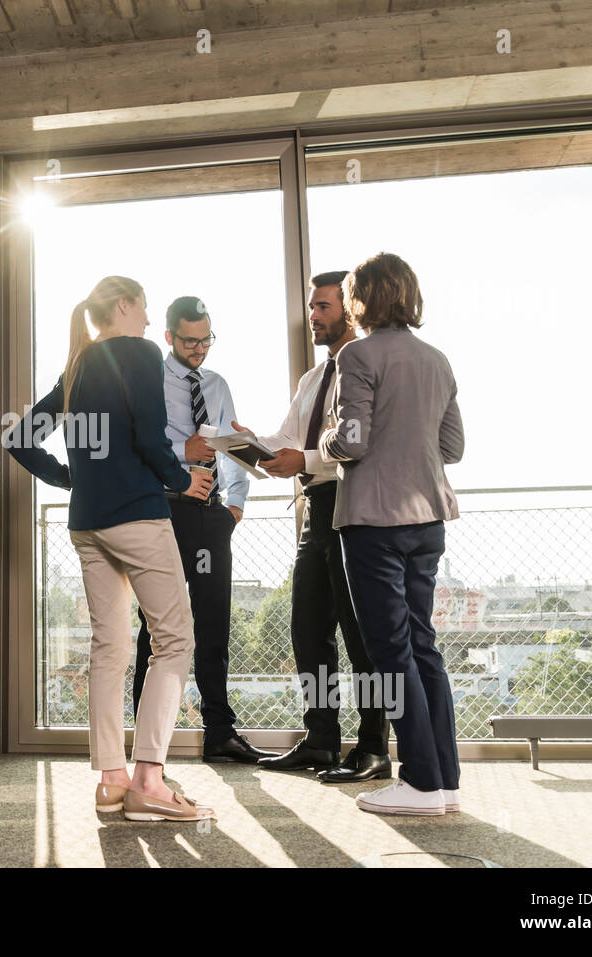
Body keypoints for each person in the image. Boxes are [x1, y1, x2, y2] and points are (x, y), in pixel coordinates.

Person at [4, 275, 216, 823]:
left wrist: (69, 478)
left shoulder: (76, 365)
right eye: (143, 308)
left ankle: (111, 781)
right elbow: (149, 437)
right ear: (124, 305)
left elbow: (20, 438)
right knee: (174, 640)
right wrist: (183, 479)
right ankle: (149, 778)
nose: (148, 320)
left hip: (88, 524)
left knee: (108, 648)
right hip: (139, 517)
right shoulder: (139, 352)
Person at [317, 252, 464, 816]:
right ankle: (442, 780)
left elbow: (350, 440)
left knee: (390, 653)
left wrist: (328, 441)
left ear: (363, 300)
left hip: (374, 521)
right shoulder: (436, 359)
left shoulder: (357, 353)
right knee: (423, 647)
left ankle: (420, 783)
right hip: (427, 519)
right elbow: (452, 448)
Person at [239, 272, 391, 781]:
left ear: (350, 310)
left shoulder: (365, 367)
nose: (313, 315)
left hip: (357, 511)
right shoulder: (311, 379)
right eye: (311, 306)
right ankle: (321, 739)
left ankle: (374, 746)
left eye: (323, 306)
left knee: (362, 639)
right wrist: (247, 444)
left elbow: (355, 445)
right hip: (315, 513)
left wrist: (299, 456)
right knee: (308, 632)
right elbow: (286, 438)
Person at [131, 296, 271, 764]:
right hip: (164, 512)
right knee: (157, 628)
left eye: (206, 339)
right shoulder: (149, 378)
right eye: (189, 341)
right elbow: (137, 440)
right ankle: (149, 739)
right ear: (169, 337)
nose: (199, 349)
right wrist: (181, 447)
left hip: (211, 517)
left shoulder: (217, 383)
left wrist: (234, 506)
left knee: (214, 625)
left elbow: (230, 443)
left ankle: (220, 733)